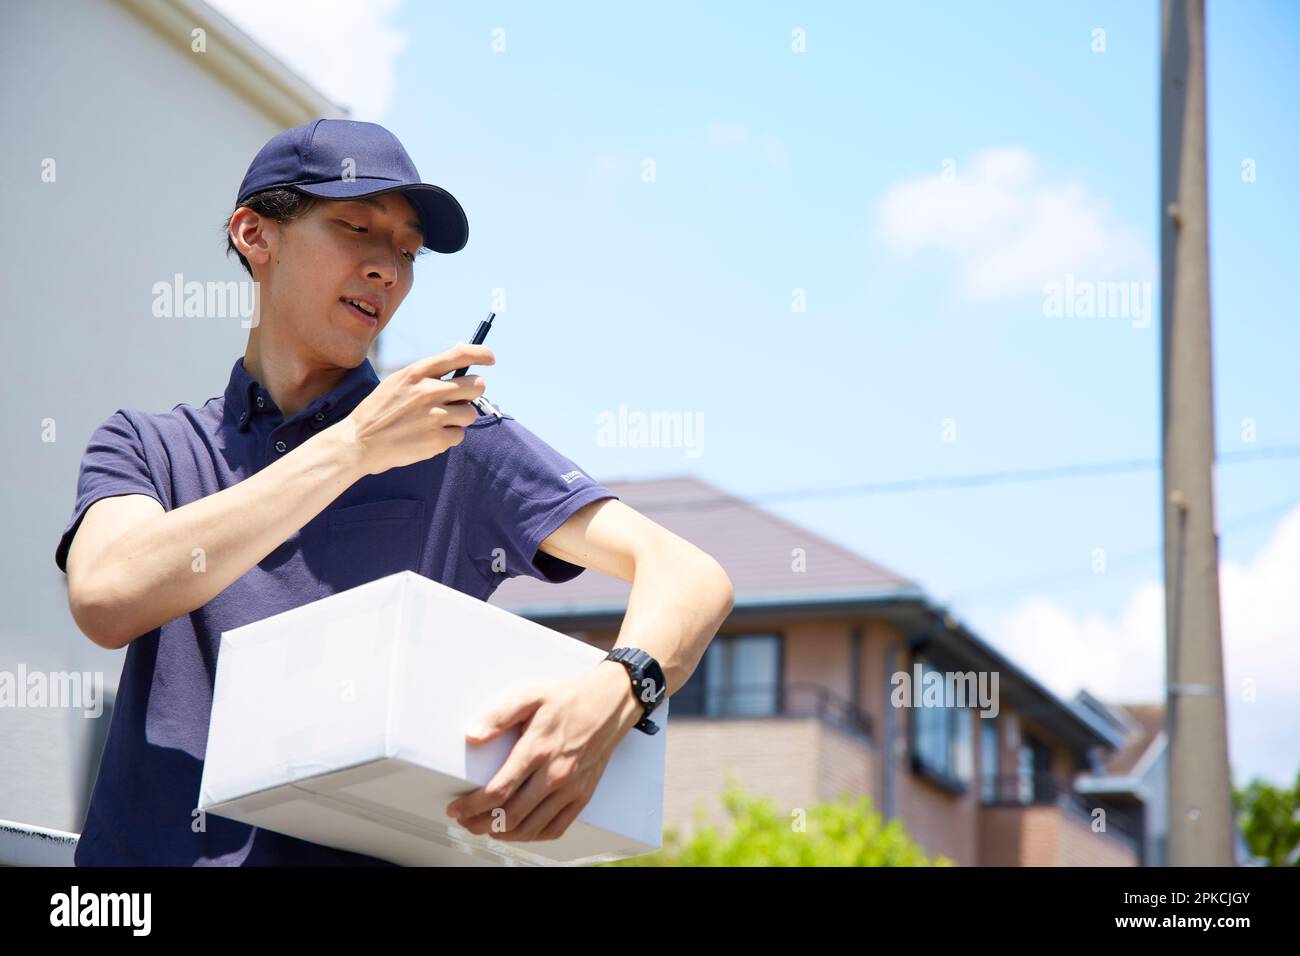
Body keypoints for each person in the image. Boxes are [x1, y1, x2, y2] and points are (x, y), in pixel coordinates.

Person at [55, 119, 734, 866]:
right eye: (356, 227)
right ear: (255, 234)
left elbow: (691, 575)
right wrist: (351, 450)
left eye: (407, 252)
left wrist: (614, 696)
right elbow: (107, 596)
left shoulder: (453, 435)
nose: (388, 268)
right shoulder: (147, 445)